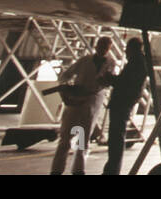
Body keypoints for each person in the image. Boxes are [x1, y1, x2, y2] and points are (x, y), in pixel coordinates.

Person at [49, 36, 115, 174]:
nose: (102, 49)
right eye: (100, 46)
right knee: (65, 137)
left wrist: (106, 83)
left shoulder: (111, 62)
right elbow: (66, 75)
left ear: (109, 49)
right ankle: (56, 171)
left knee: (83, 139)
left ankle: (78, 171)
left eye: (106, 47)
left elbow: (109, 81)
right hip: (76, 99)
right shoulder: (85, 60)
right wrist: (65, 88)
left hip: (93, 100)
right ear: (96, 46)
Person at [102, 37, 148, 175]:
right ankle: (111, 169)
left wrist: (110, 78)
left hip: (121, 103)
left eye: (127, 49)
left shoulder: (136, 62)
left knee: (116, 138)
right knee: (116, 137)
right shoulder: (140, 61)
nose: (126, 52)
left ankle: (112, 171)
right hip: (125, 102)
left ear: (132, 48)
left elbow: (124, 83)